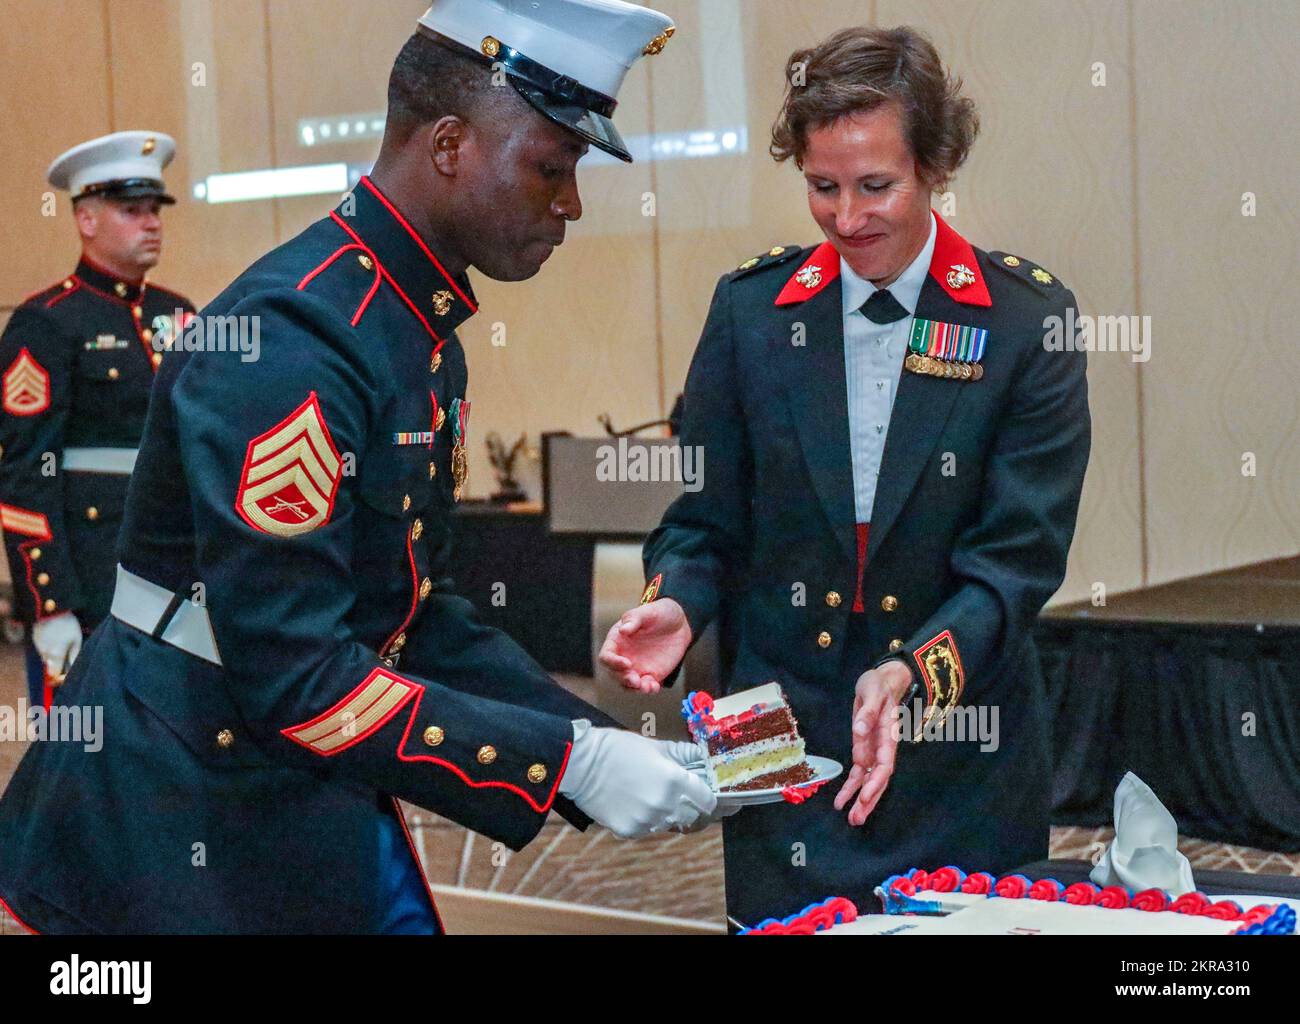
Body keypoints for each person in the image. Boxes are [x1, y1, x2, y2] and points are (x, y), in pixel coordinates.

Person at [0, 0, 717, 936]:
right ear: (452, 144)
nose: (570, 202)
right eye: (553, 165)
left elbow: (410, 611)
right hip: (182, 798)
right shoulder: (293, 336)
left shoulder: (409, 326)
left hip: (297, 772)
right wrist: (561, 762)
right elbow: (294, 675)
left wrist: (586, 739)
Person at [600, 25, 1092, 928]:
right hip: (775, 738)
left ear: (937, 166)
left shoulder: (1024, 321)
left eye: (877, 186)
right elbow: (704, 519)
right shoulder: (752, 310)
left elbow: (1015, 564)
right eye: (822, 188)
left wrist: (911, 673)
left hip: (954, 739)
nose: (846, 216)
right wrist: (677, 600)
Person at [0, 132, 194, 710]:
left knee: (172, 757)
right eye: (131, 211)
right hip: (91, 585)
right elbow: (23, 474)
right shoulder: (47, 323)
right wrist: (49, 602)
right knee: (83, 763)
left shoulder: (179, 314)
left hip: (179, 580)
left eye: (154, 210)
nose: (151, 223)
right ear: (86, 218)